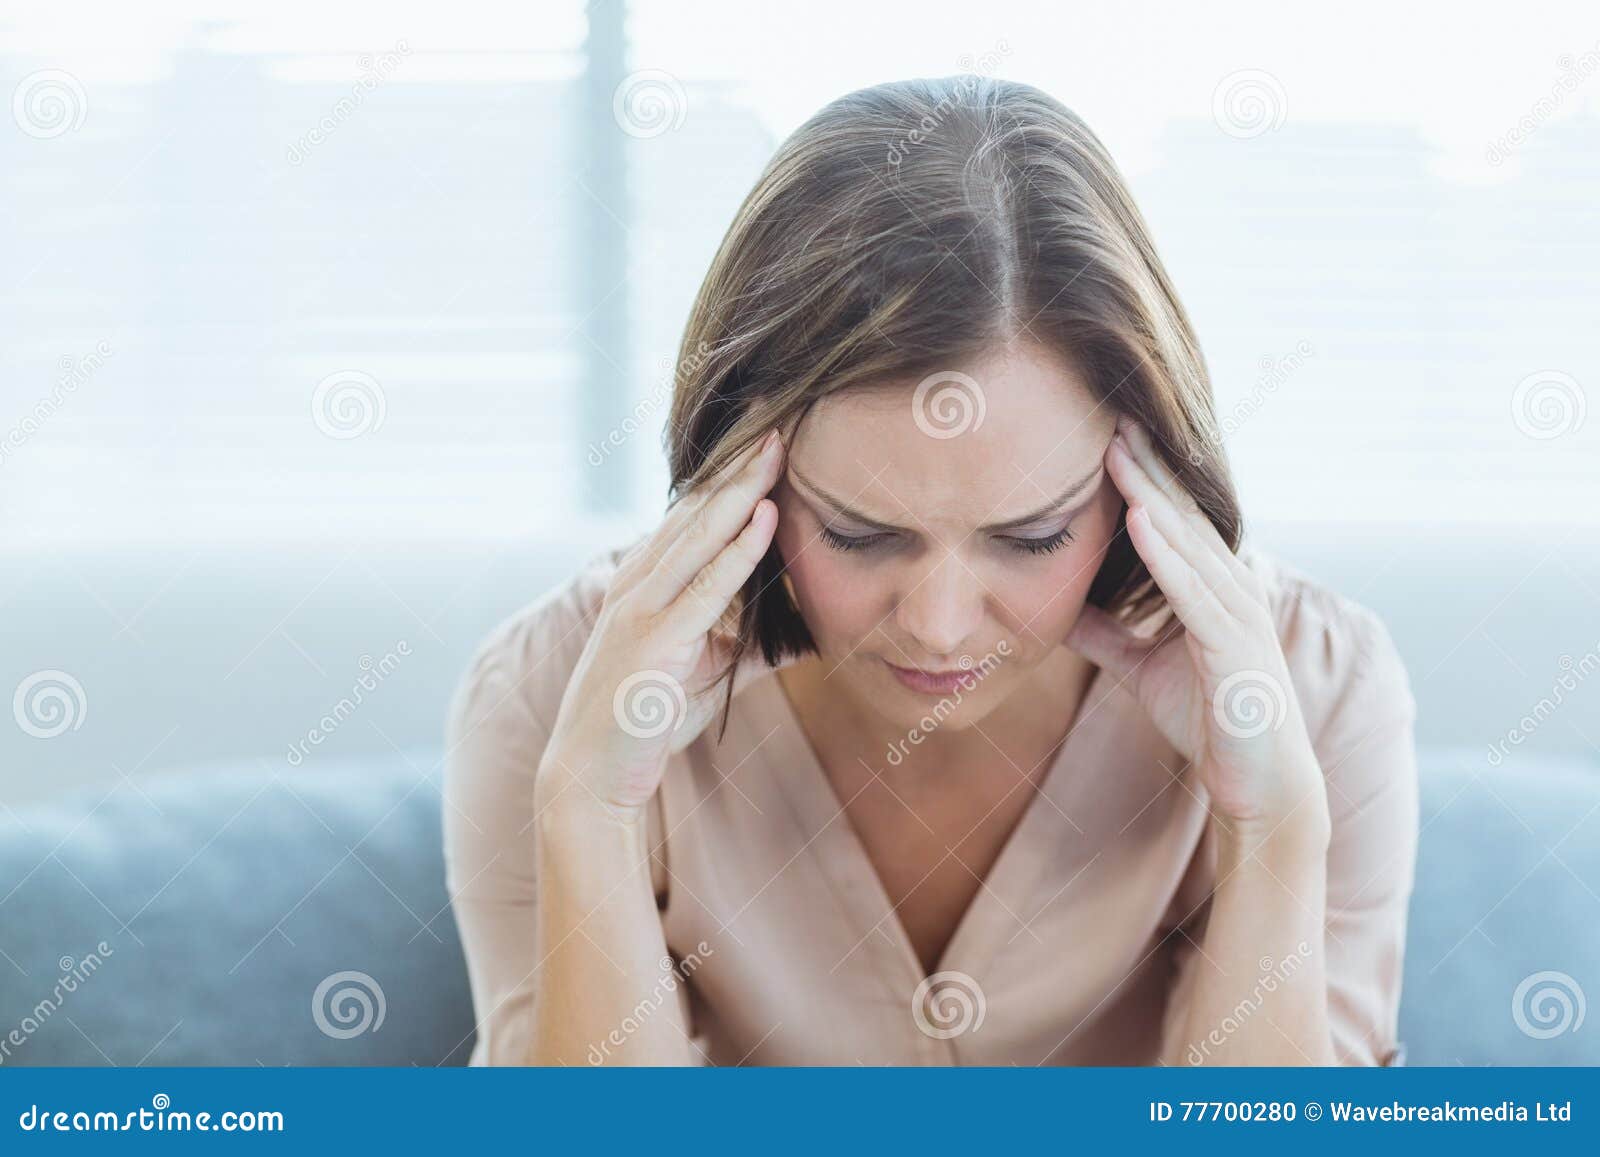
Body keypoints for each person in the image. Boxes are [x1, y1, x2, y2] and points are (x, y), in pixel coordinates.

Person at [442, 75, 1418, 1067]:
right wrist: (590, 815)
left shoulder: (1313, 693)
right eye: (859, 535)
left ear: (1144, 484)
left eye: (1033, 537)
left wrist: (1273, 830)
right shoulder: (555, 698)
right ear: (737, 476)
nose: (940, 625)